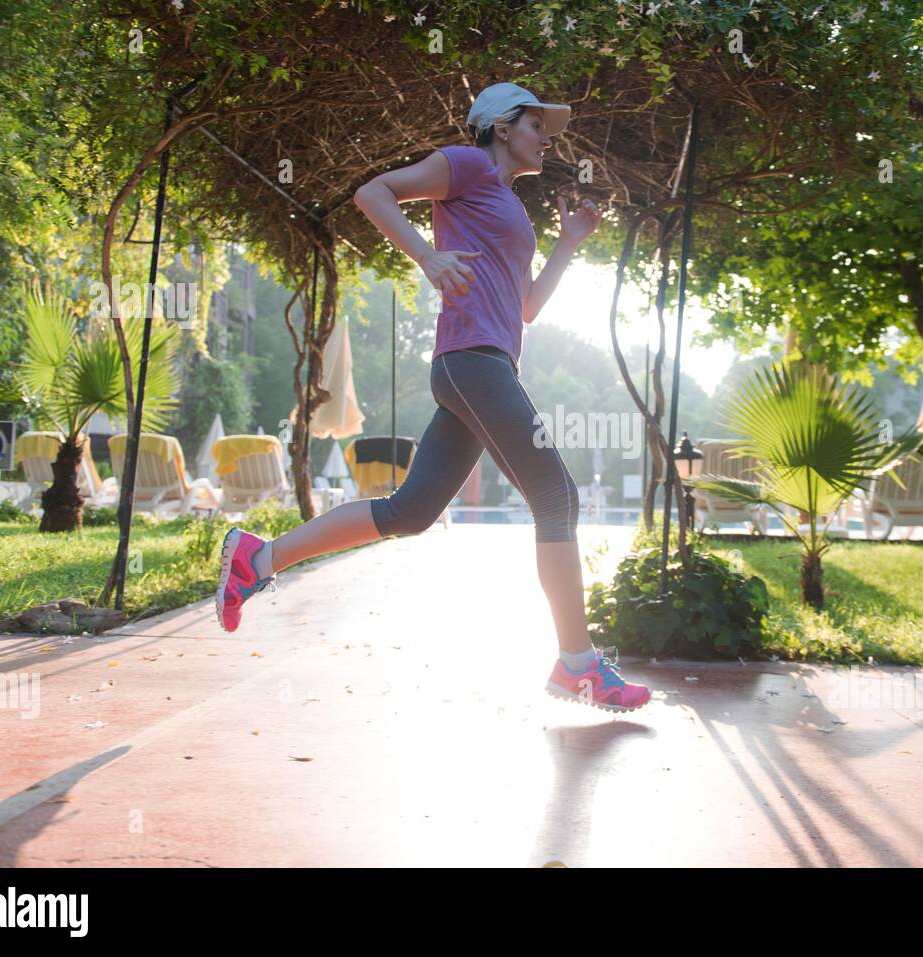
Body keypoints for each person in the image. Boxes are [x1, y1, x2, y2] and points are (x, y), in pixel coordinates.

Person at [213, 82, 650, 713]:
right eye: (535, 124)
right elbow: (373, 193)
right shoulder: (468, 164)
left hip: (485, 364)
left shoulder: (510, 204)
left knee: (411, 512)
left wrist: (568, 244)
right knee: (556, 494)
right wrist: (427, 256)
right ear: (502, 126)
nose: (546, 136)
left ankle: (261, 556)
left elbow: (524, 308)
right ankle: (577, 664)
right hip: (472, 363)